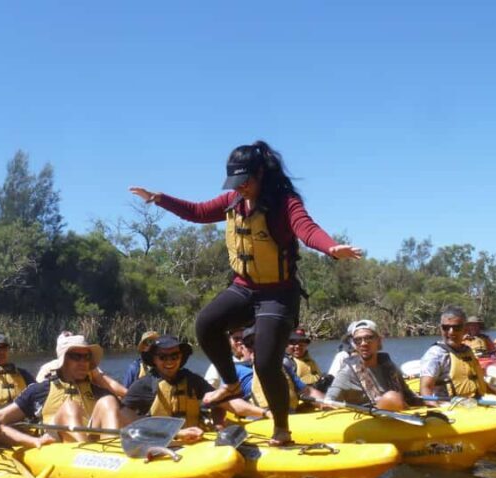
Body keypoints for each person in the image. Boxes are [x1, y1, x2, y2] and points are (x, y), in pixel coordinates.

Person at [130, 141, 362, 445]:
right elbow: (198, 212)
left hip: (278, 294)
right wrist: (160, 199)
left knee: (266, 363)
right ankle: (230, 385)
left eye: (246, 181)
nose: (241, 188)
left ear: (261, 173)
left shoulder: (284, 202)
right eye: (236, 183)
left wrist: (330, 247)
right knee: (206, 324)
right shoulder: (232, 201)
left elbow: (306, 228)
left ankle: (282, 428)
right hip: (244, 287)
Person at [0, 334, 121, 442]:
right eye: (76, 356)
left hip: (97, 450)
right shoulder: (39, 390)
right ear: (63, 360)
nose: (83, 362)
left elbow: (131, 418)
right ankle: (85, 452)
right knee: (69, 407)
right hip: (56, 447)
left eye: (87, 357)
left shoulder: (100, 392)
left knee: (109, 401)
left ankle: (113, 458)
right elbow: (0, 418)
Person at [120, 335, 214, 442]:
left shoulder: (193, 380)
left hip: (194, 443)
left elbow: (217, 398)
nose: (169, 361)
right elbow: (122, 413)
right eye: (162, 357)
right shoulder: (144, 384)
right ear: (154, 359)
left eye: (175, 356)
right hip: (161, 445)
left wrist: (219, 422)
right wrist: (173, 433)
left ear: (181, 357)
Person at [420, 308, 496, 400]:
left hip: (474, 404)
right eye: (446, 327)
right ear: (441, 328)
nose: (451, 332)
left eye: (456, 328)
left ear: (465, 330)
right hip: (450, 407)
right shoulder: (435, 354)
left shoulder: (467, 351)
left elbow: (479, 381)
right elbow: (425, 388)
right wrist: (434, 407)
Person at [325, 320, 420, 410]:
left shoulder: (390, 366)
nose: (363, 343)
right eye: (358, 340)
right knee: (392, 397)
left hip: (401, 416)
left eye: (369, 338)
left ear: (379, 341)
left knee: (394, 397)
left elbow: (409, 395)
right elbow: (330, 400)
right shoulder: (347, 373)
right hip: (370, 421)